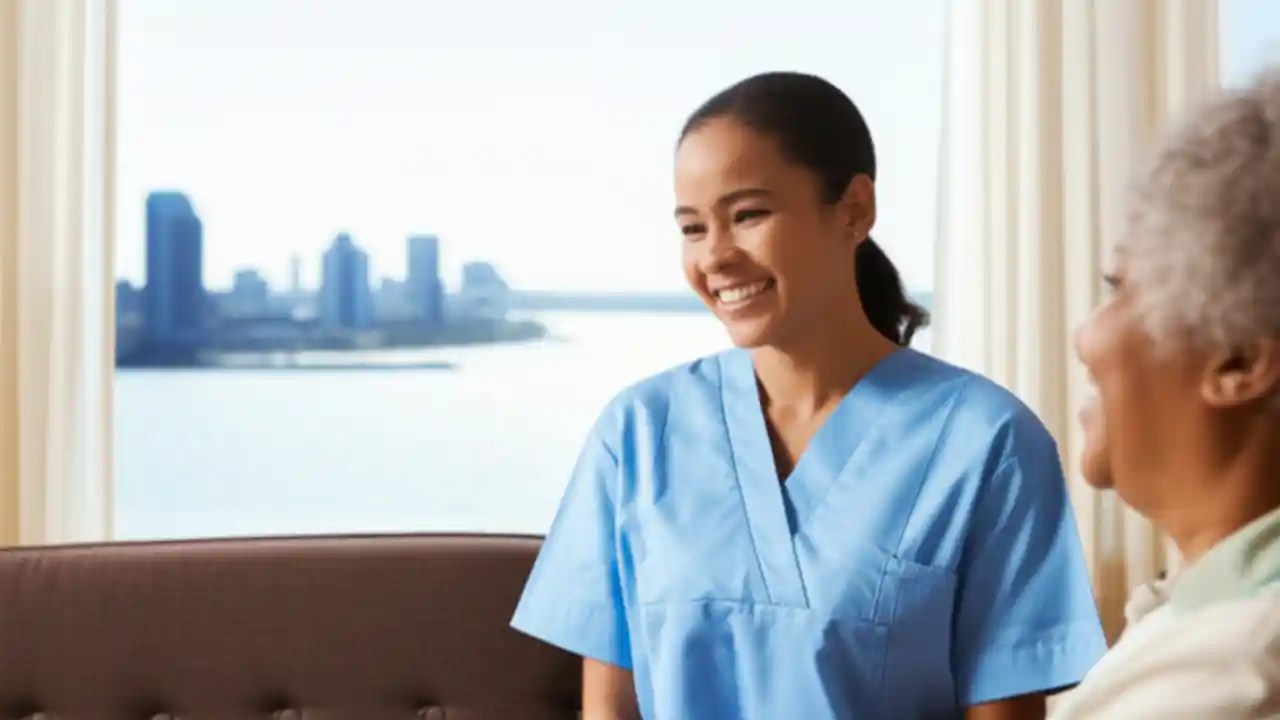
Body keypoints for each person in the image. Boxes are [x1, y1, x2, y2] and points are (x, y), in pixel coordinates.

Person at [511, 71, 1105, 719]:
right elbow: (609, 710)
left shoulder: (988, 443)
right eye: (691, 228)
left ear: (854, 209)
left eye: (747, 215)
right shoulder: (638, 433)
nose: (715, 256)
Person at [1051, 71, 1280, 719]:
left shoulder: (1232, 675)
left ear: (1237, 360)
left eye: (1117, 285)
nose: (1085, 335)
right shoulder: (1200, 614)